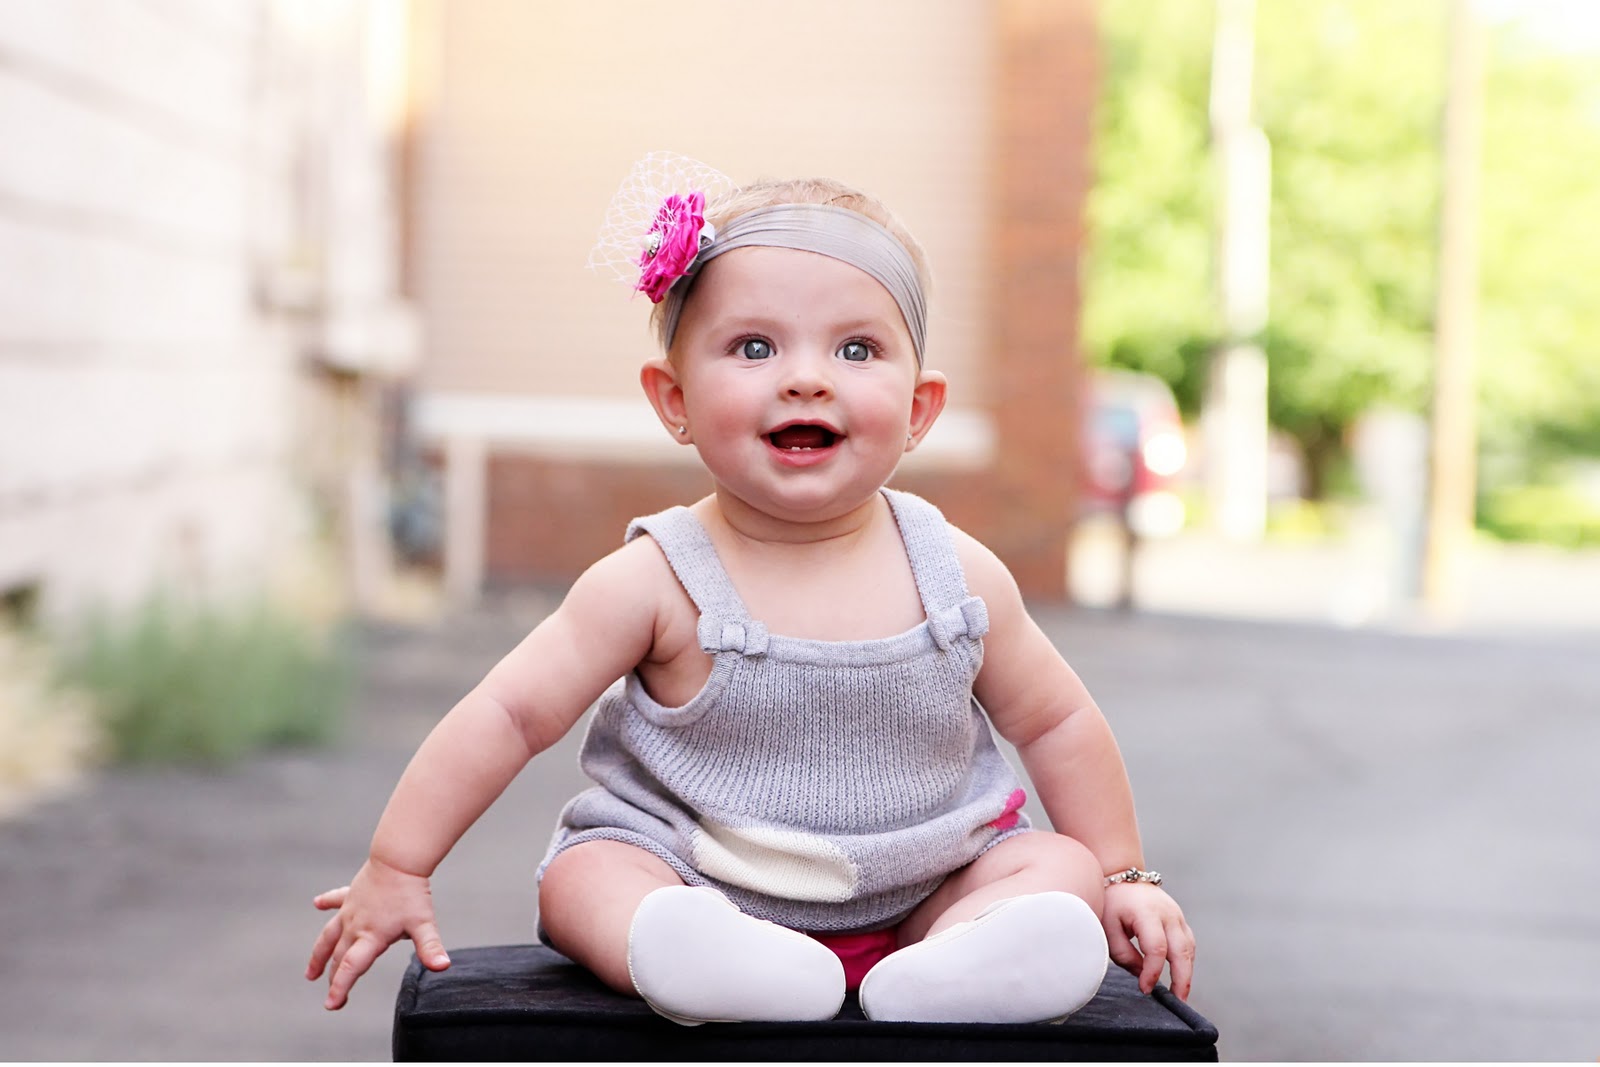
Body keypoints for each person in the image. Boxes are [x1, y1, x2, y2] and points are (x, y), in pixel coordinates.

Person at [306, 158, 1195, 1026]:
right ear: (674, 397)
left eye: (857, 348)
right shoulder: (657, 580)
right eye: (754, 346)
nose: (806, 376)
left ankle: (963, 962)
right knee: (587, 879)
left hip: (929, 884)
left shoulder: (956, 574)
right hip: (699, 877)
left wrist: (1122, 873)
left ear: (920, 408)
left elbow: (1055, 722)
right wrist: (399, 862)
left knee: (1056, 868)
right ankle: (701, 957)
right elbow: (509, 714)